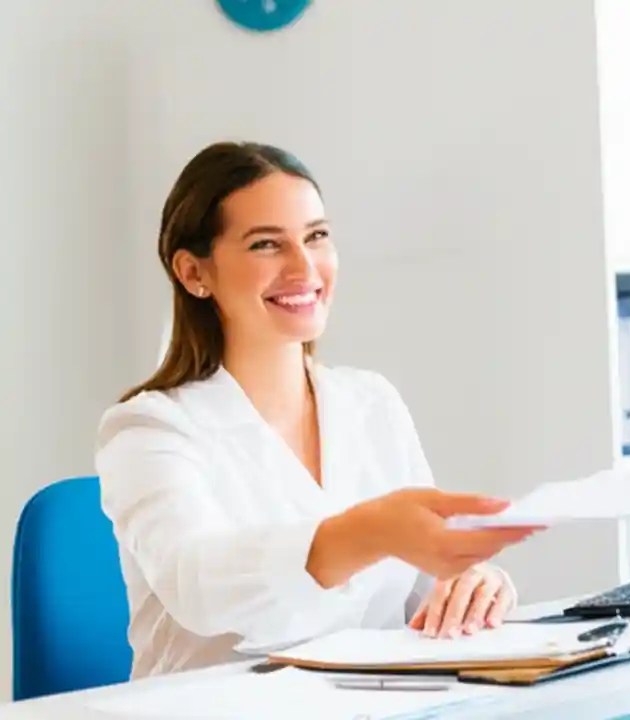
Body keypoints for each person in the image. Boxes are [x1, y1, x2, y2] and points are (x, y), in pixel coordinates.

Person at [95, 142, 537, 678]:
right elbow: (197, 584)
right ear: (193, 273)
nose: (304, 267)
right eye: (265, 245)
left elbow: (425, 588)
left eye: (317, 236)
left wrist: (473, 584)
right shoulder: (149, 429)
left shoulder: (372, 403)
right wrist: (366, 532)